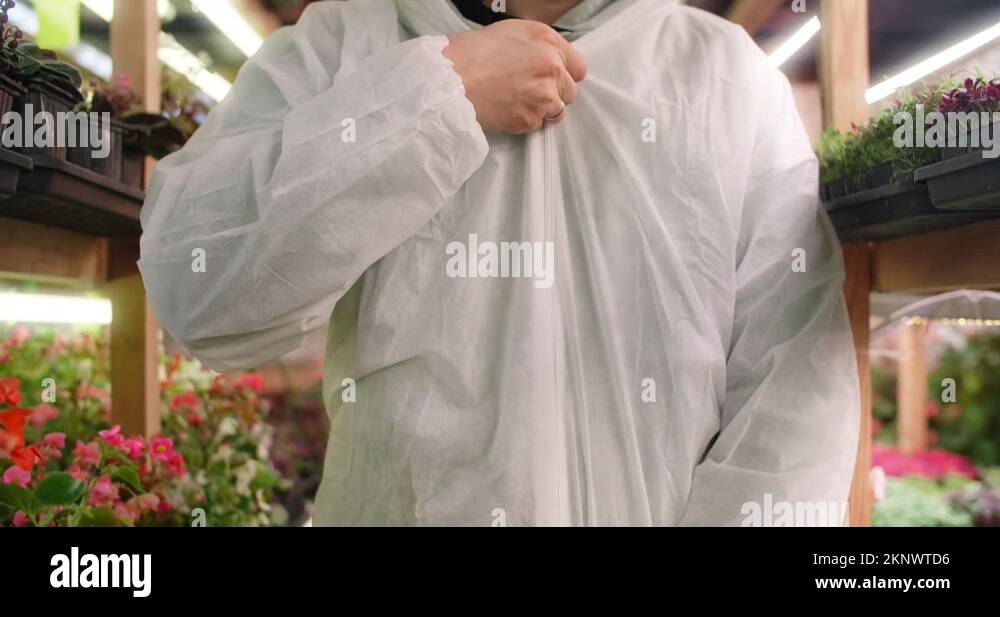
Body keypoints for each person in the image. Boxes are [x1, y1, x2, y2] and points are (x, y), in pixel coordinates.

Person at [138, 0, 861, 526]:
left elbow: (795, 388)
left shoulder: (722, 76)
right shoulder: (348, 40)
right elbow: (193, 285)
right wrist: (431, 95)